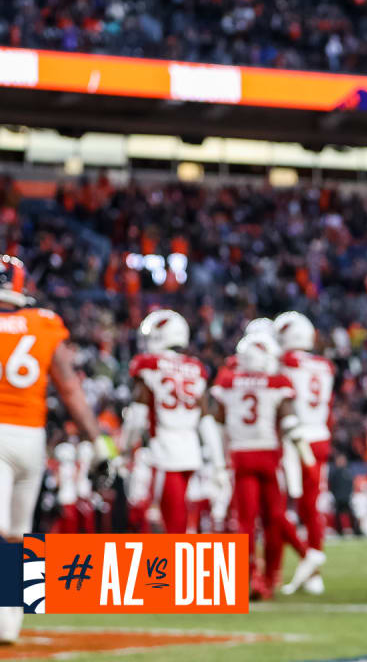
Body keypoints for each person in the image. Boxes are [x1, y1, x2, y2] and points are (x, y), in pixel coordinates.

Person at [0, 255, 116, 644]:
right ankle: (9, 618)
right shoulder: (45, 324)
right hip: (29, 439)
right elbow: (70, 390)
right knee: (17, 533)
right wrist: (98, 443)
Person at [210, 332, 311, 601]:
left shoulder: (229, 381)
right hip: (268, 457)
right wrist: (306, 458)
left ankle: (249, 576)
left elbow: (216, 423)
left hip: (241, 457)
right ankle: (271, 577)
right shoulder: (276, 382)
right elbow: (290, 424)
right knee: (273, 520)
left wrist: (218, 460)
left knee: (244, 522)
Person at [122, 309, 221, 535]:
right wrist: (218, 462)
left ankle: (166, 569)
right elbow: (205, 419)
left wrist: (125, 451)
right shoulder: (195, 367)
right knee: (184, 521)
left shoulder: (149, 365)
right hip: (192, 453)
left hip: (164, 453)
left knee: (161, 523)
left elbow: (137, 417)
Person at [275, 312, 336, 596]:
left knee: (281, 504)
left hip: (293, 438)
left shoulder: (285, 362)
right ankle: (312, 567)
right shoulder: (324, 366)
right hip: (320, 435)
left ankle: (308, 562)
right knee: (311, 506)